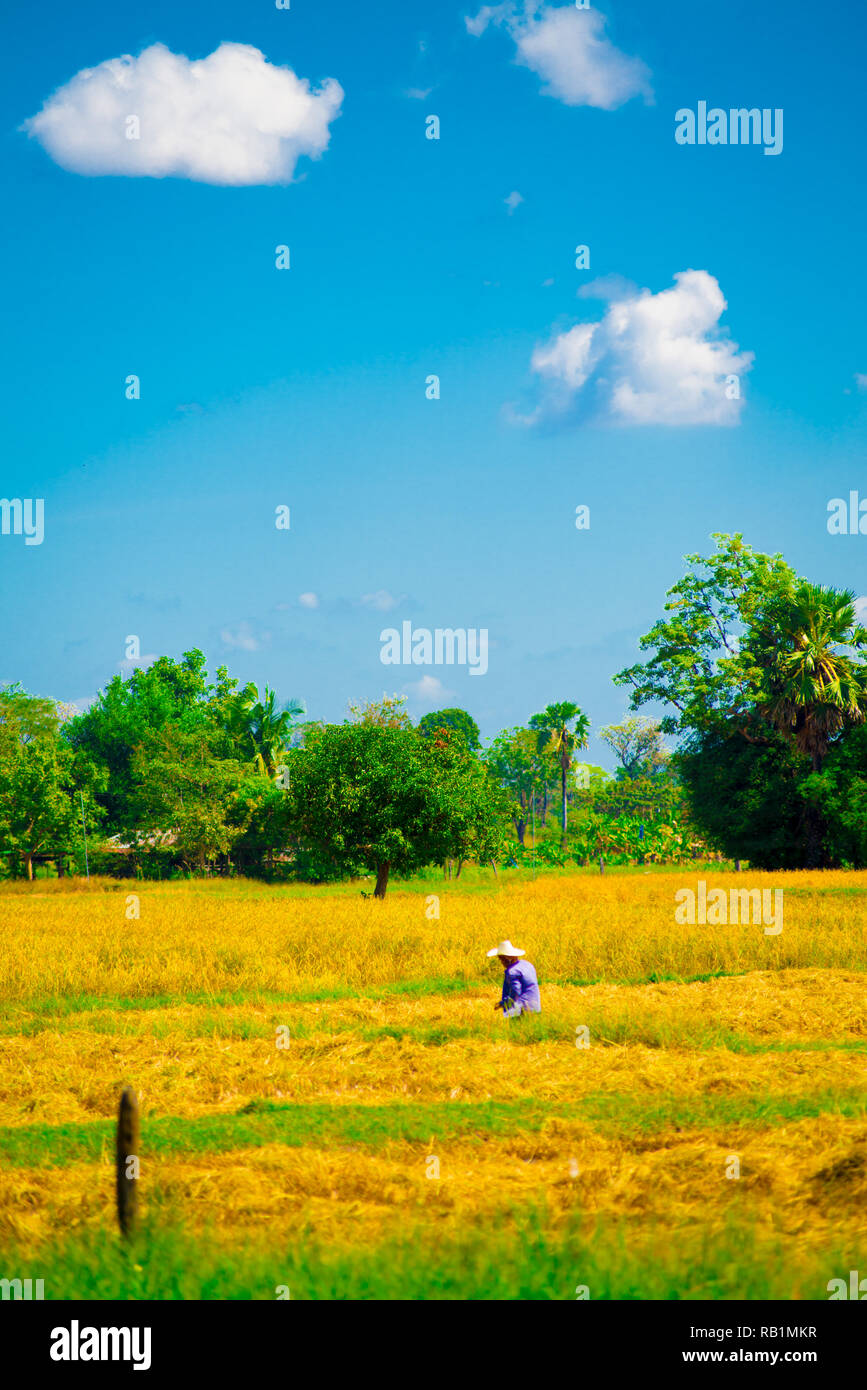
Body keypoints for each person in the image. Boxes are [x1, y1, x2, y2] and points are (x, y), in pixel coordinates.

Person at [487, 939, 541, 1017]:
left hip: (522, 1011)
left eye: (501, 959)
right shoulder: (527, 964)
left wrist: (502, 1004)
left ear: (507, 959)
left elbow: (516, 993)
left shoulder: (512, 972)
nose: (501, 962)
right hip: (535, 1008)